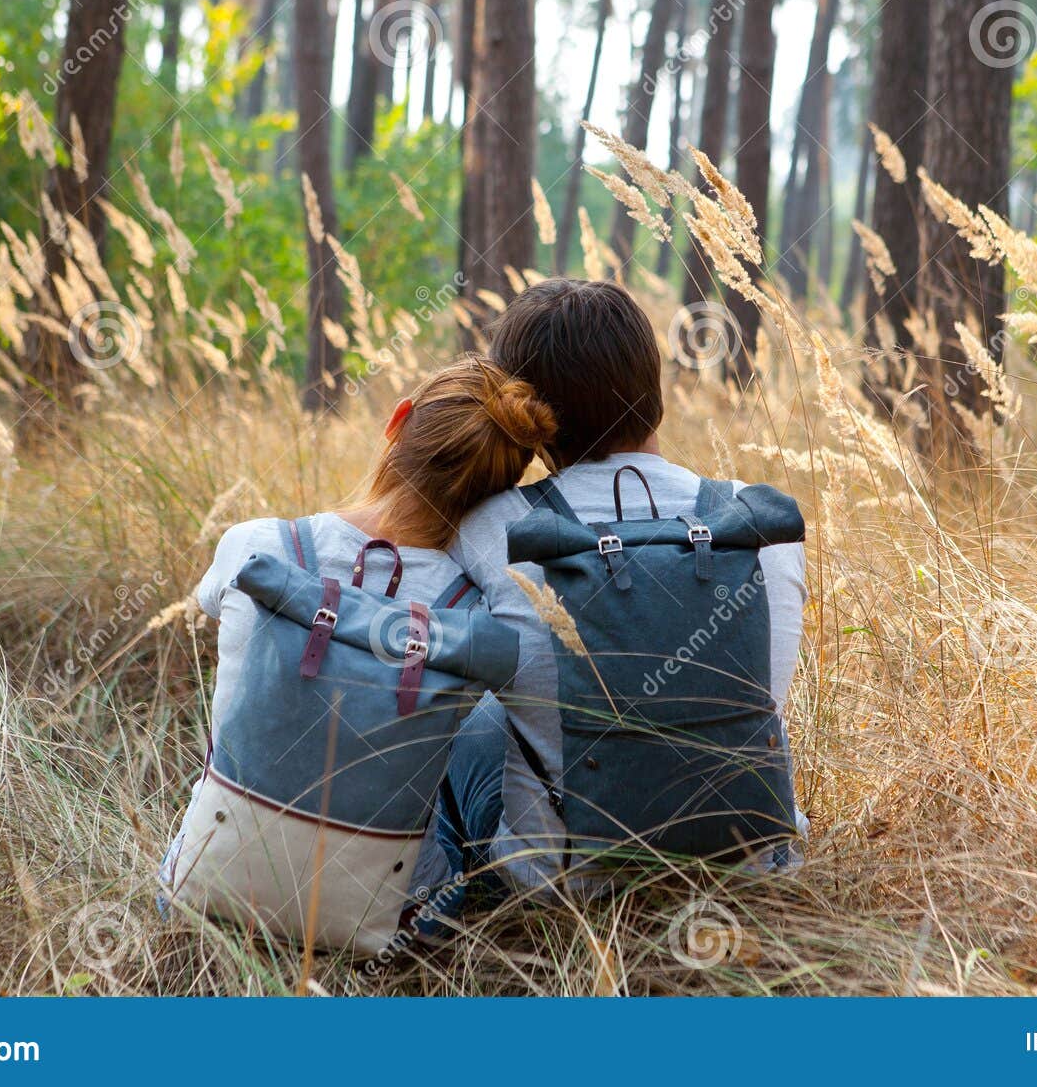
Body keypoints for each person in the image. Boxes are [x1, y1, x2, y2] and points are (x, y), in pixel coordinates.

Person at [160, 355, 556, 933]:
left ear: (398, 421)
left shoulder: (255, 546)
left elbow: (215, 606)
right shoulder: (471, 613)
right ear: (494, 491)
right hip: (391, 916)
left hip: (205, 890)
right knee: (489, 723)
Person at [443, 278, 809, 898]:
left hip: (563, 886)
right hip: (752, 871)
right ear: (654, 387)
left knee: (469, 717)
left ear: (524, 412)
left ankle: (427, 911)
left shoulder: (491, 527)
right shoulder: (759, 522)